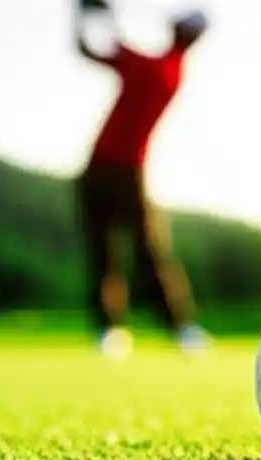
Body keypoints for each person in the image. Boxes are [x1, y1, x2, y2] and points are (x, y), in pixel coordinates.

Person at [75, 5, 212, 360]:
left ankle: (180, 327)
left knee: (145, 252)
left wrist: (93, 13)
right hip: (102, 168)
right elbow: (91, 50)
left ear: (185, 36)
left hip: (124, 170)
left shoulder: (161, 70)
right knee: (103, 252)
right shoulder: (165, 67)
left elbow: (99, 47)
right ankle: (111, 329)